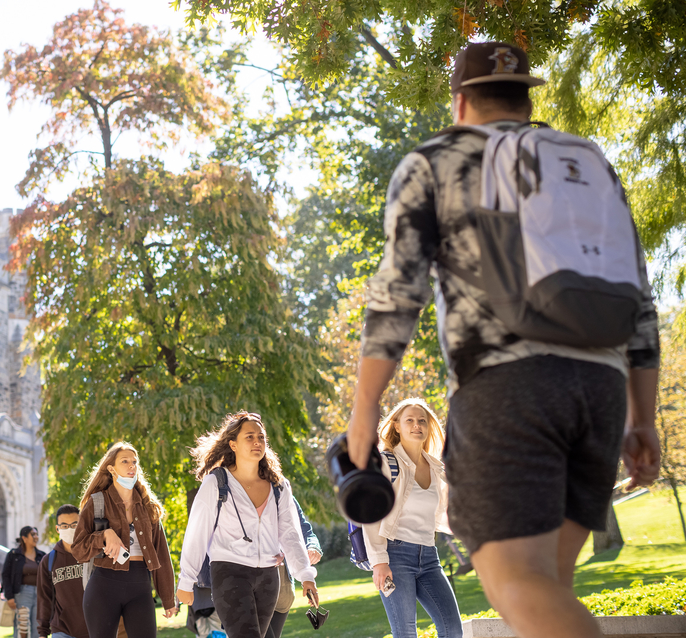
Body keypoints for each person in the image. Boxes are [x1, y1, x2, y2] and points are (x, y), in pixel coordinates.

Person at [344, 41, 662, 638]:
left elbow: (397, 297)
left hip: (509, 391)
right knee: (548, 589)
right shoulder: (585, 161)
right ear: (525, 96)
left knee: (515, 582)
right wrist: (643, 418)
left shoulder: (439, 158)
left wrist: (365, 411)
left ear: (461, 102)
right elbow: (639, 298)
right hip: (600, 391)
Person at [177, 412, 320, 638]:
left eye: (261, 437)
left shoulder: (278, 485)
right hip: (230, 573)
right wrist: (187, 580)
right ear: (232, 444)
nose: (257, 442)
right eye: (249, 437)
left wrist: (305, 575)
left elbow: (290, 534)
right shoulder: (217, 482)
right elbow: (197, 533)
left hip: (268, 577)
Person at [360, 399, 462, 638]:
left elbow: (450, 513)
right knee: (405, 633)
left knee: (452, 629)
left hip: (428, 556)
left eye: (422, 421)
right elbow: (370, 514)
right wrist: (379, 561)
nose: (417, 425)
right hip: (395, 557)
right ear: (397, 426)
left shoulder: (437, 468)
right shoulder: (386, 462)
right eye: (410, 420)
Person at [71, 442, 178, 638]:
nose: (132, 466)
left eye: (135, 462)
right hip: (103, 585)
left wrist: (168, 598)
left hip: (140, 587)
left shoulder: (148, 506)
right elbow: (78, 549)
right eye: (125, 461)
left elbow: (162, 554)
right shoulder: (97, 502)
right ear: (111, 468)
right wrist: (103, 535)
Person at [264, 498, 322, 638]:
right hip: (248, 587)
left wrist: (313, 546)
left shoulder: (280, 489)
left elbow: (302, 529)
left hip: (282, 590)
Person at [38, 504, 89, 638]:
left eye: (74, 524)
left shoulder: (93, 555)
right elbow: (44, 598)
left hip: (94, 628)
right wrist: (43, 632)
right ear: (57, 529)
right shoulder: (48, 561)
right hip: (62, 630)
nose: (70, 529)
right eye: (64, 526)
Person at [2, 526, 46, 638]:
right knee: (22, 628)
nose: (36, 537)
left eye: (36, 534)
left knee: (38, 626)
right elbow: (5, 575)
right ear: (24, 538)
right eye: (33, 534)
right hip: (22, 593)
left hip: (39, 595)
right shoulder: (13, 555)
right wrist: (9, 596)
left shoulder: (42, 555)